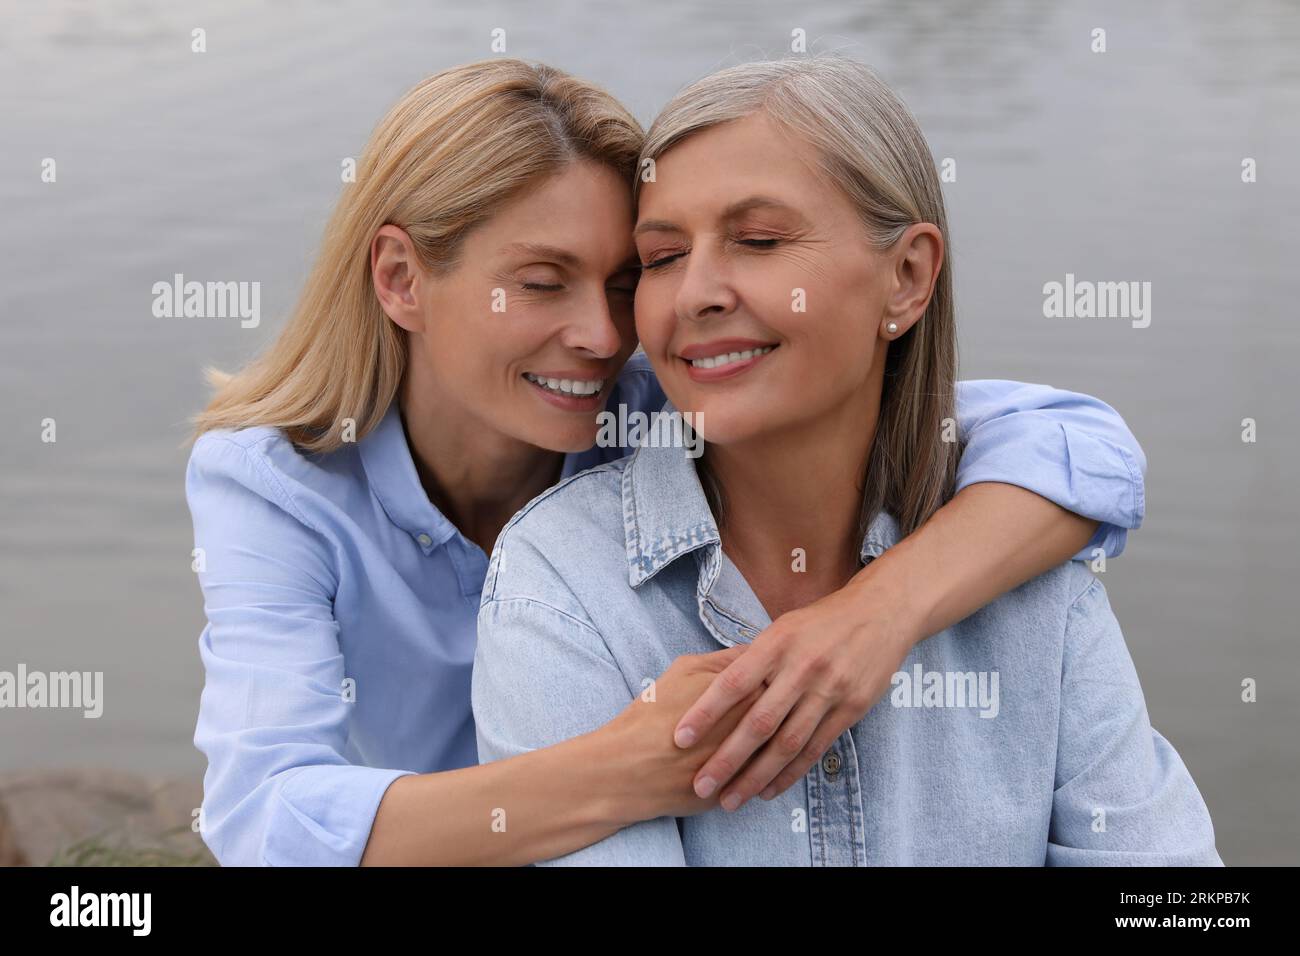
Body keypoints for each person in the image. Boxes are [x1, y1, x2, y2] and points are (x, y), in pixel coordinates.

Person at [188, 58, 1150, 866]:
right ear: (400, 278)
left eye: (622, 279)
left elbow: (1079, 446)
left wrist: (875, 614)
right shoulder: (276, 485)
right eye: (540, 283)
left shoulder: (662, 404)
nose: (604, 336)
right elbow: (263, 816)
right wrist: (632, 763)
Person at [471, 55, 1219, 865]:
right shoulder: (562, 588)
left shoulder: (1035, 586)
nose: (695, 294)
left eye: (758, 240)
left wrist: (884, 610)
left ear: (906, 277)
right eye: (660, 258)